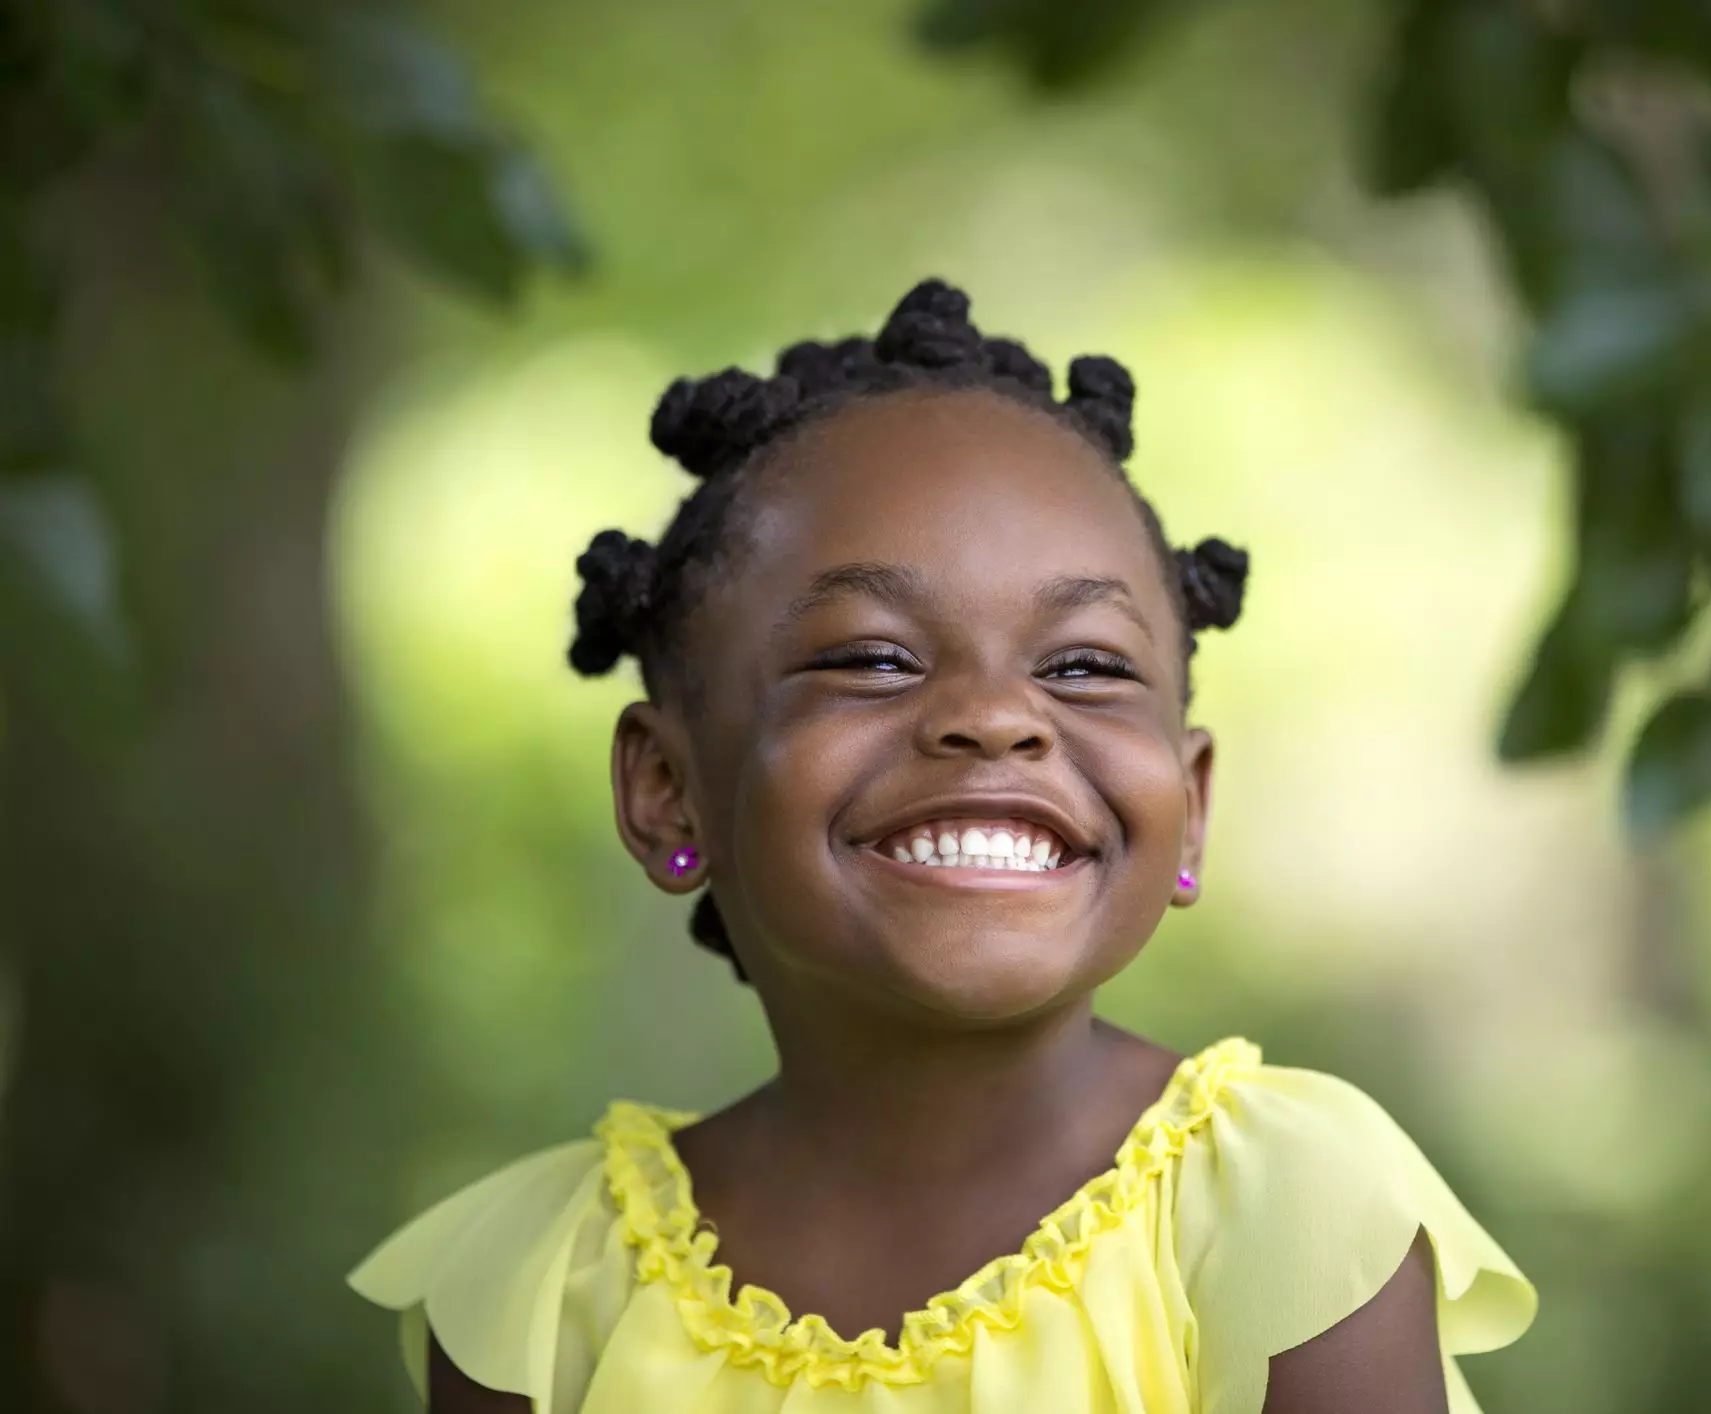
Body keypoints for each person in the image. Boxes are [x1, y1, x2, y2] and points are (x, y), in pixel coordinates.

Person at [348, 279, 1536, 1413]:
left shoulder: (1284, 1208)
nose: (997, 715)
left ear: (1191, 799)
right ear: (668, 791)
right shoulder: (542, 1287)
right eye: (871, 657)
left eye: (1083, 666)